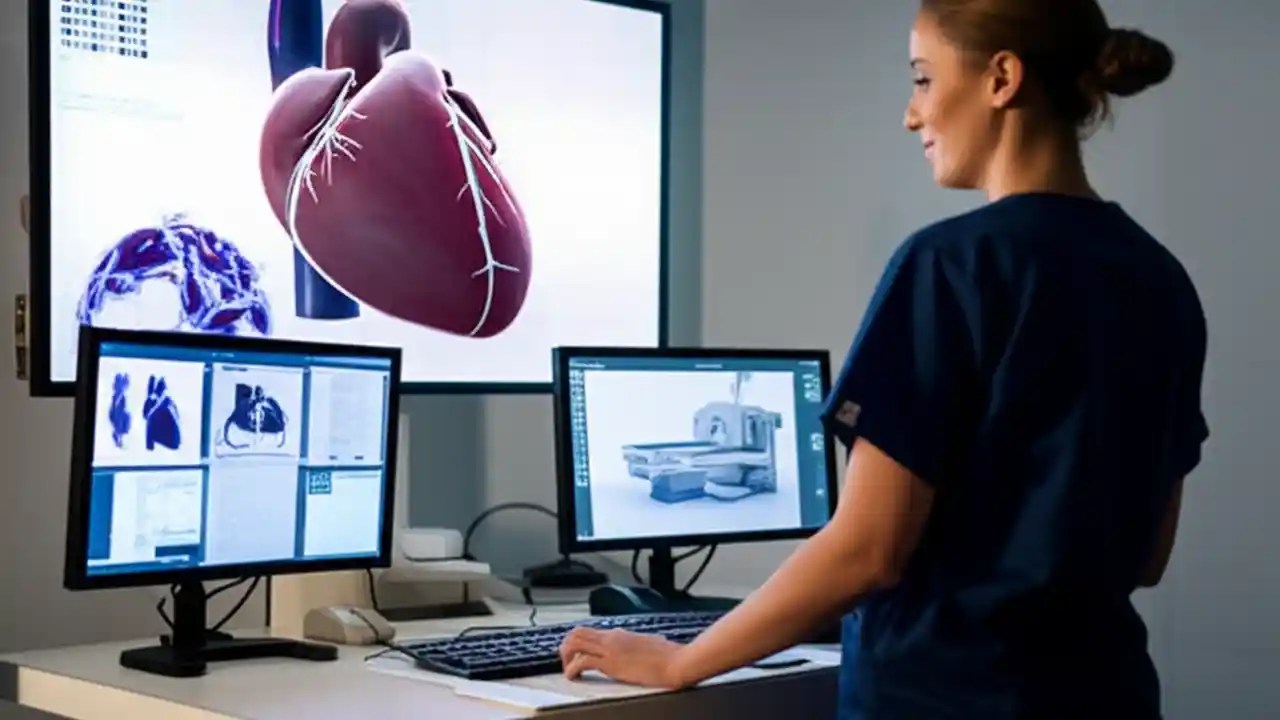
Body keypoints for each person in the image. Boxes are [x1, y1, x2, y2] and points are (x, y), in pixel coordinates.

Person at [558, 0, 1209, 717]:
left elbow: (868, 551)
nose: (910, 114)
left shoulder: (949, 266)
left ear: (1001, 79)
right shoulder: (1161, 280)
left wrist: (682, 658)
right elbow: (1148, 557)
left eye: (924, 79)